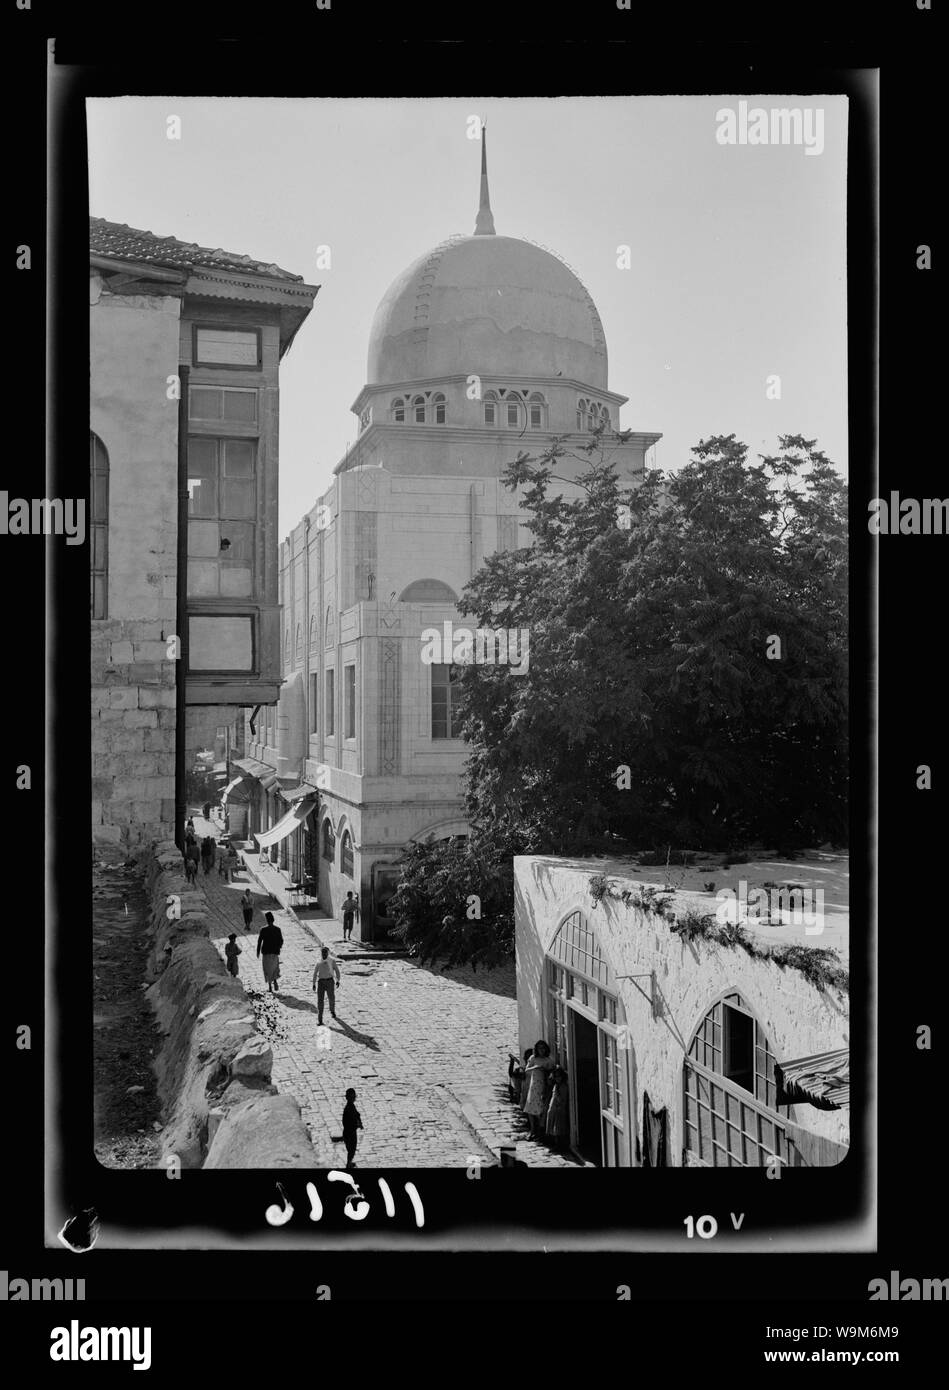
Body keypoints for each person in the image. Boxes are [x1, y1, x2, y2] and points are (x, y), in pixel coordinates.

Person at [523, 1041, 554, 1139]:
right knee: (530, 1107)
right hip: (534, 1085)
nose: (541, 1050)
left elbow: (551, 1073)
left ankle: (540, 1131)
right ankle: (532, 1130)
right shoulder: (533, 1058)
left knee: (541, 1108)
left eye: (543, 1048)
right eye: (539, 1048)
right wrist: (535, 1067)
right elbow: (526, 1070)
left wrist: (545, 1070)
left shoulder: (548, 1060)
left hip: (543, 1086)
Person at [312, 946, 341, 1024]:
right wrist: (314, 983)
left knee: (331, 998)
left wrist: (338, 980)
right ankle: (320, 1019)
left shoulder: (332, 961)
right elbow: (315, 973)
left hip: (330, 981)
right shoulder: (318, 962)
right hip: (321, 982)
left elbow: (337, 971)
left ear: (327, 953)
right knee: (320, 1001)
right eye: (322, 953)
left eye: (325, 953)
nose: (323, 954)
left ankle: (332, 1011)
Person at [256, 911, 284, 993]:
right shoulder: (277, 929)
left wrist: (257, 951)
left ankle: (269, 986)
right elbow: (281, 941)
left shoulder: (263, 930)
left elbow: (259, 941)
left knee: (267, 969)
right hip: (275, 952)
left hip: (266, 952)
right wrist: (278, 947)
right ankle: (275, 981)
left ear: (267, 920)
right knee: (275, 968)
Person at [545, 1066, 569, 1149]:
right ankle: (553, 1143)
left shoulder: (563, 1087)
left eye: (559, 1076)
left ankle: (559, 1145)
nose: (557, 1078)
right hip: (553, 1108)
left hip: (559, 1109)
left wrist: (557, 1094)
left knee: (558, 1128)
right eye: (556, 1077)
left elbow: (562, 1099)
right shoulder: (555, 1085)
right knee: (552, 1126)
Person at [342, 1088, 363, 1170]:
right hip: (349, 1133)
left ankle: (349, 1162)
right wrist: (356, 1125)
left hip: (352, 1132)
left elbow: (357, 1115)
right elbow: (346, 1122)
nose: (354, 1098)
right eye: (352, 1097)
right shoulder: (348, 1109)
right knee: (351, 1149)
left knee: (352, 1149)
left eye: (354, 1097)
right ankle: (348, 1164)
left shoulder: (352, 1106)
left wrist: (359, 1123)